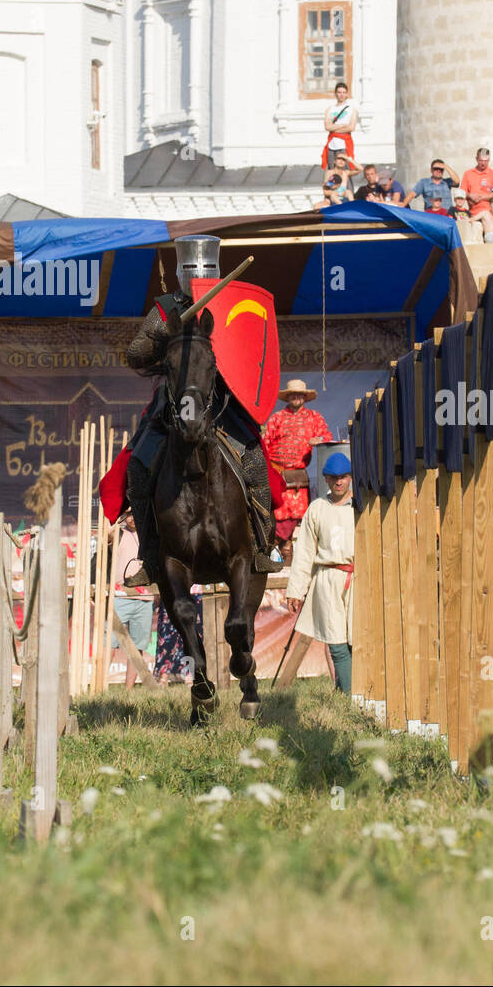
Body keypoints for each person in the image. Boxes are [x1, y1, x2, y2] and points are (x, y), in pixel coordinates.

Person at [120, 235, 276, 586]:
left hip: (222, 401)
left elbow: (248, 348)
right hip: (175, 403)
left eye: (203, 266)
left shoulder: (230, 301)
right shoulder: (164, 309)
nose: (197, 272)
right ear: (179, 268)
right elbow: (134, 355)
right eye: (191, 266)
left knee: (254, 461)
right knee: (138, 467)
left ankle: (264, 545)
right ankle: (149, 556)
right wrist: (161, 335)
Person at [285, 451, 355, 692]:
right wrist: (296, 591)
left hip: (357, 579)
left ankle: (354, 693)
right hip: (327, 579)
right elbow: (304, 552)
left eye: (344, 477)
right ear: (325, 479)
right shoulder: (316, 509)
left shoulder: (361, 507)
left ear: (350, 478)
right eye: (334, 477)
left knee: (357, 641)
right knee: (336, 643)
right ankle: (349, 701)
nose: (339, 482)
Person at [261, 378, 334, 563]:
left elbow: (327, 435)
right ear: (288, 397)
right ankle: (282, 549)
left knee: (295, 514)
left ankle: (280, 546)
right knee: (277, 512)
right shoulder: (277, 418)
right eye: (292, 395)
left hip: (298, 477)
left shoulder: (314, 417)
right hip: (277, 473)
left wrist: (318, 439)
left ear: (304, 397)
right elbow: (265, 442)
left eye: (299, 395)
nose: (296, 398)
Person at [108, 512, 155, 687]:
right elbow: (107, 536)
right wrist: (114, 522)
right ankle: (101, 685)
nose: (132, 518)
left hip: (145, 597)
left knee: (137, 648)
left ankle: (129, 690)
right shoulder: (119, 533)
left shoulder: (150, 535)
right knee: (110, 643)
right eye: (128, 515)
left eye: (135, 513)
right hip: (120, 596)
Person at [321, 81, 357, 170]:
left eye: (344, 92)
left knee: (345, 171)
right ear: (336, 94)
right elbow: (327, 127)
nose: (341, 95)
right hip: (331, 145)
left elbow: (351, 127)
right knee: (332, 172)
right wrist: (342, 125)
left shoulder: (352, 109)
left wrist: (334, 127)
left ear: (347, 94)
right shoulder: (330, 109)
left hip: (344, 145)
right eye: (339, 92)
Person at [461, 147, 493, 215]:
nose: (483, 163)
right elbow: (462, 192)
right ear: (476, 159)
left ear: (489, 159)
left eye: (486, 161)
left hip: (490, 213)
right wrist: (469, 195)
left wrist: (482, 197)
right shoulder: (468, 174)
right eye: (481, 160)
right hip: (473, 213)